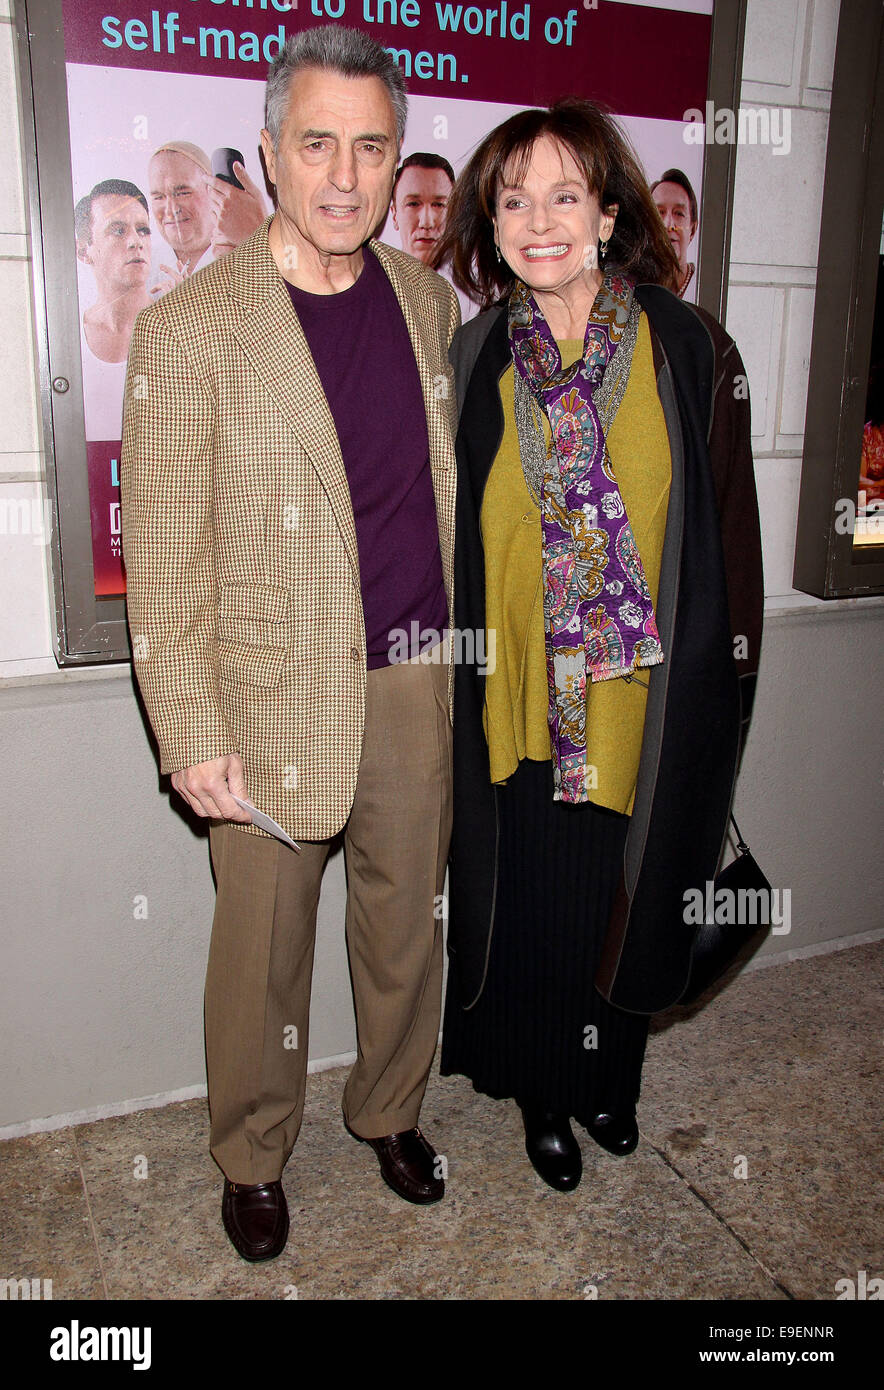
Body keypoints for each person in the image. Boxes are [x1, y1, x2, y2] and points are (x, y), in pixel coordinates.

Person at [120, 25, 459, 1262]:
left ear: (394, 159)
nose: (343, 173)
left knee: (400, 921)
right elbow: (161, 557)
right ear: (267, 153)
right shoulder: (190, 329)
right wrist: (189, 731)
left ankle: (389, 1109)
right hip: (261, 694)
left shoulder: (429, 303)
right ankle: (253, 1150)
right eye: (315, 141)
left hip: (416, 670)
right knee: (261, 953)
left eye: (370, 147)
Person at [436, 101, 763, 1191]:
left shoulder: (686, 342)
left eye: (562, 195)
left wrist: (725, 686)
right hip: (520, 693)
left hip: (644, 697)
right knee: (537, 901)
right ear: (490, 224)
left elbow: (726, 534)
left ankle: (606, 1077)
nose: (537, 221)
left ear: (608, 210)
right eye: (513, 200)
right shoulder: (475, 351)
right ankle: (542, 1091)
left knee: (629, 890)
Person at [74, 180, 152, 439]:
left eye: (143, 230)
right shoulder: (72, 338)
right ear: (84, 250)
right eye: (118, 231)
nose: (135, 241)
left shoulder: (183, 329)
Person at [147, 140, 265, 291]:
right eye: (158, 197)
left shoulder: (247, 255)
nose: (171, 210)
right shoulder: (143, 267)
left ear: (213, 189)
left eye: (183, 193)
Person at [390, 152, 455, 264]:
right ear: (395, 215)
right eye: (413, 204)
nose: (426, 223)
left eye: (439, 205)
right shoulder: (375, 279)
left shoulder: (472, 280)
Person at [651, 167, 698, 300]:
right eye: (660, 212)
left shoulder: (704, 286)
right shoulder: (632, 291)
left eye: (679, 213)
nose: (668, 225)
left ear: (692, 230)